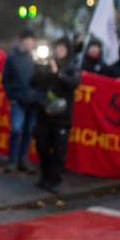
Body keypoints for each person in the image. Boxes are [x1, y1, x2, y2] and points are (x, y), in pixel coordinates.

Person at [30, 37, 79, 193]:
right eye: (58, 47)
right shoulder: (46, 63)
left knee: (58, 150)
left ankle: (55, 179)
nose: (60, 50)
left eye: (63, 48)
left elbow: (73, 84)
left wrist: (58, 74)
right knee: (42, 146)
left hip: (62, 118)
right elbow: (34, 83)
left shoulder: (71, 67)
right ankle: (44, 176)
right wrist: (39, 68)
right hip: (44, 115)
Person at [2, 28, 38, 173]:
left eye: (33, 41)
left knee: (29, 131)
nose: (30, 43)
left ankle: (24, 159)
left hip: (33, 101)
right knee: (16, 130)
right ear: (23, 40)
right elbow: (5, 79)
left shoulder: (35, 58)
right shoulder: (12, 57)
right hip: (18, 100)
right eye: (28, 40)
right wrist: (12, 96)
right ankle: (13, 160)